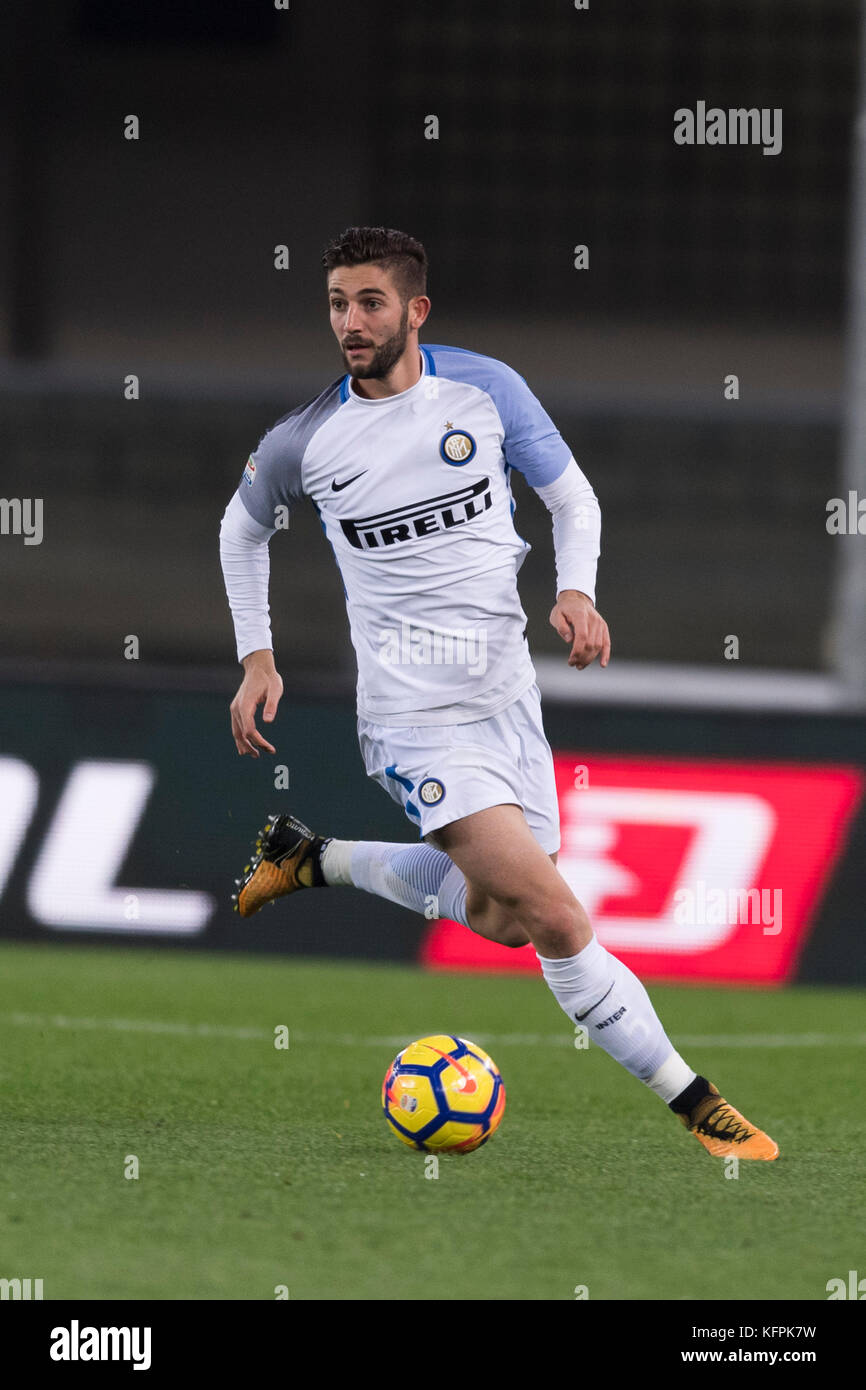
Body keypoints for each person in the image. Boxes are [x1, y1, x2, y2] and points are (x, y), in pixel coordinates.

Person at [219, 226, 778, 1161]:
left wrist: (576, 588)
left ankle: (310, 857)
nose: (350, 323)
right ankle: (699, 1107)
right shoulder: (305, 441)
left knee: (500, 921)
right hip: (413, 723)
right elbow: (240, 533)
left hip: (508, 700)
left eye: (369, 303)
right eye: (335, 305)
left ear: (414, 310)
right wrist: (256, 656)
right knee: (558, 918)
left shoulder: (486, 390)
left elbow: (573, 498)